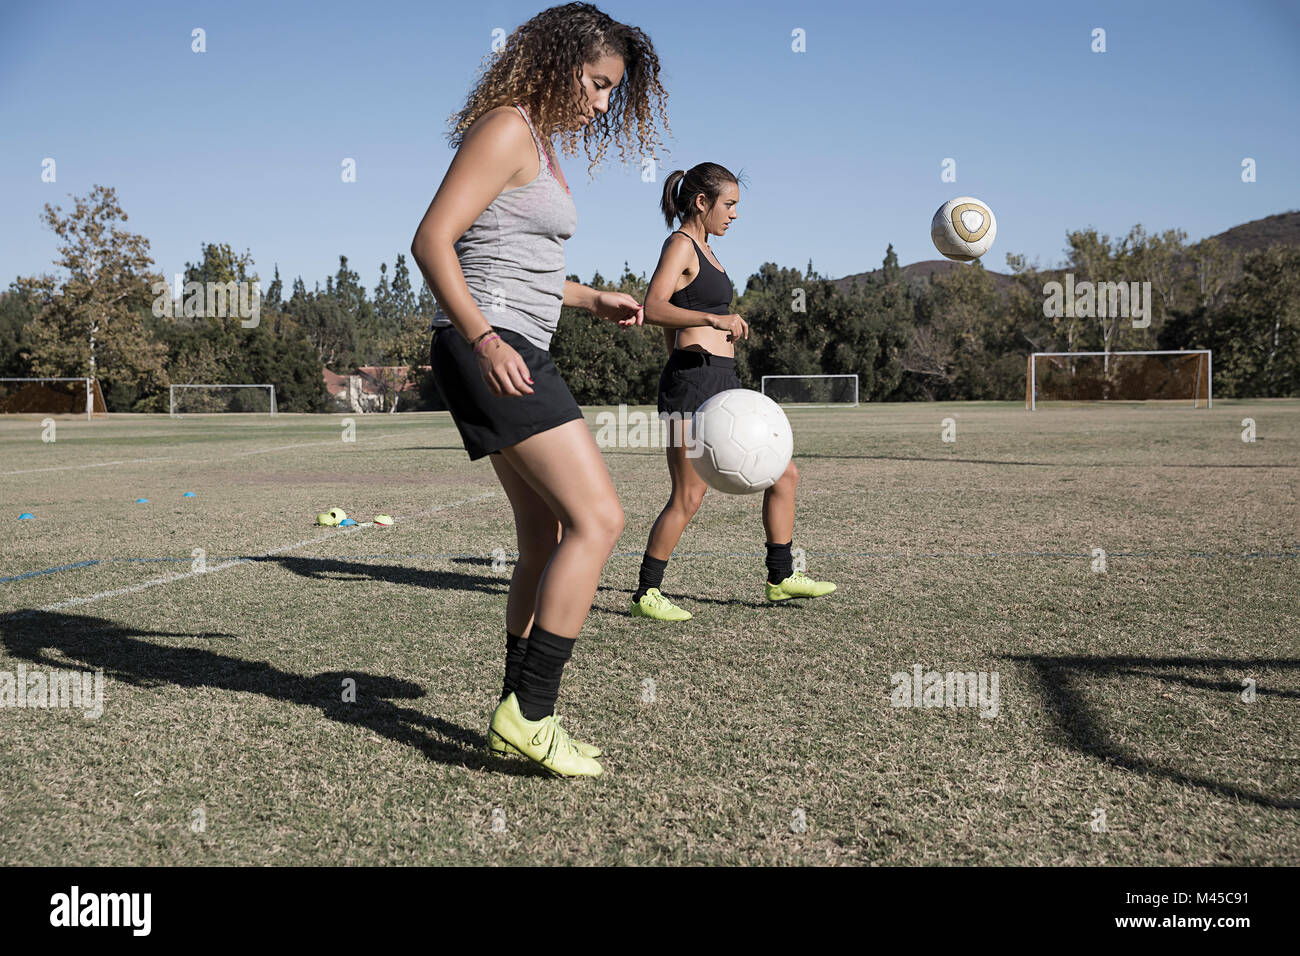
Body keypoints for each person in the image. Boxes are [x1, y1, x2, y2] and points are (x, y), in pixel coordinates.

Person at [410, 2, 668, 776]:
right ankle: (531, 713)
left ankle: (512, 712)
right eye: (595, 84)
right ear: (558, 65)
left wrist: (594, 299)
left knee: (544, 537)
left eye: (610, 92)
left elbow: (524, 264)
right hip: (494, 346)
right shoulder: (508, 129)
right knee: (601, 519)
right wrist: (485, 339)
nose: (599, 103)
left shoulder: (540, 145)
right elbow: (432, 240)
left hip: (508, 338)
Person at [631, 163, 837, 621]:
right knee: (688, 495)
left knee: (785, 475)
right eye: (729, 204)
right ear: (701, 202)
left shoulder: (708, 249)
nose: (735, 214)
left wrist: (707, 327)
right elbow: (654, 307)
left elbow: (678, 311)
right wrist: (711, 322)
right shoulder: (681, 244)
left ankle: (780, 578)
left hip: (721, 382)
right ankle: (647, 592)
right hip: (692, 382)